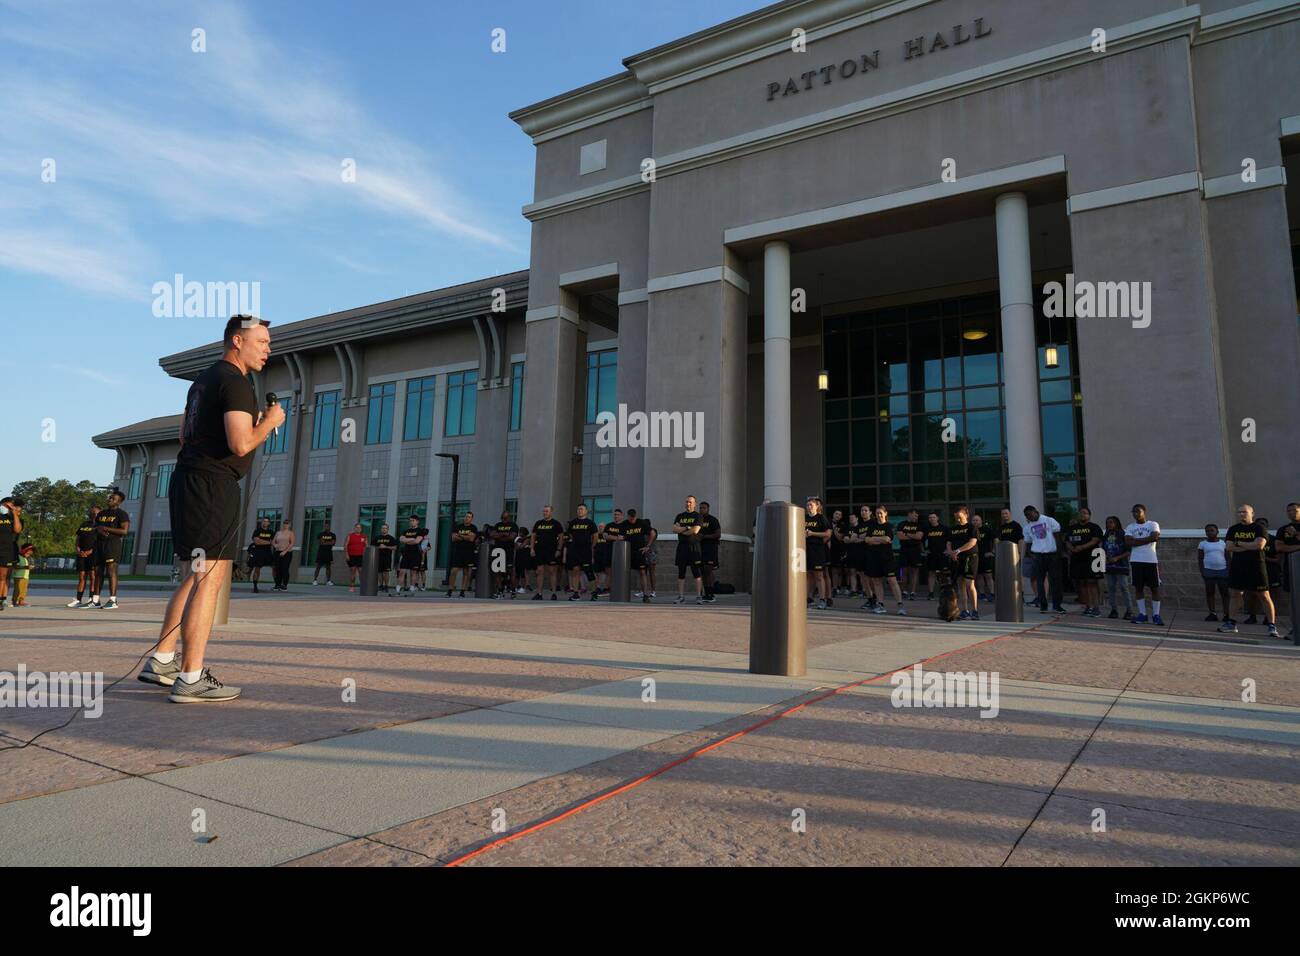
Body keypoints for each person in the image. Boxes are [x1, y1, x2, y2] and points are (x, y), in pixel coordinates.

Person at [139, 314, 283, 702]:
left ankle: (164, 660)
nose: (268, 349)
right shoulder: (236, 383)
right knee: (209, 579)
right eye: (262, 342)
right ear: (237, 341)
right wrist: (269, 422)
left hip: (189, 480)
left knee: (193, 574)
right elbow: (239, 443)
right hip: (212, 485)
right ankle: (191, 678)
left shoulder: (205, 380)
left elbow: (186, 433)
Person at [1220, 504, 1279, 638]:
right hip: (1238, 567)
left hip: (1257, 566)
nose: (1241, 514)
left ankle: (1271, 626)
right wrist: (1249, 546)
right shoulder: (1234, 529)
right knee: (1235, 594)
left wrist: (1239, 543)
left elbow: (1259, 545)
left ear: (1252, 514)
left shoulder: (1259, 528)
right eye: (1239, 512)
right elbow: (1229, 547)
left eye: (1244, 512)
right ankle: (1231, 623)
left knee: (1264, 595)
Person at [862, 505, 906, 616]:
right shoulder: (872, 525)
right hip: (873, 558)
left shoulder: (889, 526)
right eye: (877, 513)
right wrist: (879, 539)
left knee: (892, 581)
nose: (879, 515)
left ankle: (900, 605)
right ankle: (880, 605)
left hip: (887, 558)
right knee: (876, 582)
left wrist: (874, 539)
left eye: (881, 513)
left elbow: (888, 539)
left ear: (885, 513)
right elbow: (867, 540)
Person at [1124, 504, 1162, 625]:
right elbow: (1128, 543)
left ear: (1144, 512)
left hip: (1151, 560)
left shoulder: (1152, 524)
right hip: (1136, 560)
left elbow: (1155, 537)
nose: (1135, 514)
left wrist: (1136, 541)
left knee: (1154, 588)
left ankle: (1156, 615)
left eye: (1138, 511)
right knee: (1138, 587)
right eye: (1133, 512)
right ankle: (1143, 614)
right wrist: (1147, 539)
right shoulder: (1130, 526)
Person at [1022, 505, 1064, 613]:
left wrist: (1059, 553)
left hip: (1052, 554)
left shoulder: (1049, 520)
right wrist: (1031, 555)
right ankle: (1043, 605)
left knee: (1055, 580)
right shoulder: (1027, 527)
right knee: (1039, 581)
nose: (1029, 517)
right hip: (1038, 555)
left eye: (1030, 514)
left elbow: (1058, 536)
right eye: (1027, 516)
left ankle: (1057, 605)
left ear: (1036, 511)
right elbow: (1028, 543)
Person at [94, 489, 130, 610]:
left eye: (113, 498)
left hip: (112, 545)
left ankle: (112, 600)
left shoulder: (121, 514)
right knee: (98, 572)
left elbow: (124, 531)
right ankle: (95, 600)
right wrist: (98, 529)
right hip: (99, 545)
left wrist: (106, 529)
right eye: (110, 497)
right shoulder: (101, 513)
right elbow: (95, 527)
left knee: (111, 571)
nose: (110, 499)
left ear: (118, 502)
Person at [1065, 507, 1104, 617]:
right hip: (1077, 559)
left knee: (1092, 582)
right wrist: (1072, 548)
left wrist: (1082, 547)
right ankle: (1088, 606)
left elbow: (1095, 540)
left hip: (1092, 558)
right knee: (1082, 583)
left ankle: (1096, 608)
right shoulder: (1072, 528)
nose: (1082, 515)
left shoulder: (1094, 527)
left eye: (1085, 513)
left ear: (1089, 515)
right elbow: (1067, 540)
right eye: (1080, 513)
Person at [945, 505, 980, 620]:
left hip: (970, 557)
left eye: (959, 516)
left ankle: (975, 610)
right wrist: (951, 553)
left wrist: (958, 551)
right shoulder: (952, 529)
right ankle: (965, 610)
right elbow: (948, 543)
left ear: (966, 515)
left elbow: (972, 542)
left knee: (970, 584)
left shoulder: (971, 528)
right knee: (961, 585)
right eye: (956, 517)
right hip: (957, 559)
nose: (958, 519)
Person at [1101, 515, 1132, 620]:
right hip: (1109, 565)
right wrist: (1105, 556)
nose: (1109, 524)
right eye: (1107, 522)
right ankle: (1114, 610)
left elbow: (1128, 551)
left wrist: (1117, 558)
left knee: (1124, 588)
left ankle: (1129, 611)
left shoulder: (1123, 534)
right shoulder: (1106, 535)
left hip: (1121, 565)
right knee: (1111, 588)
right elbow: (1104, 548)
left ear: (1116, 523)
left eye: (1111, 522)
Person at [69, 505, 100, 608]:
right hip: (81, 554)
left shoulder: (99, 526)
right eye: (91, 512)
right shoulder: (84, 524)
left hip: (93, 555)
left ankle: (91, 599)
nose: (92, 514)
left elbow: (99, 541)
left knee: (93, 577)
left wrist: (91, 551)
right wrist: (78, 549)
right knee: (82, 577)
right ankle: (78, 599)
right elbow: (78, 538)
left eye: (95, 513)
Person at [803, 497, 832, 609]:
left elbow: (828, 534)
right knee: (808, 575)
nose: (809, 507)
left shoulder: (821, 518)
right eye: (807, 505)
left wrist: (812, 533)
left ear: (816, 506)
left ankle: (822, 599)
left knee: (819, 575)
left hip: (818, 550)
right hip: (805, 550)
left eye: (811, 505)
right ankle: (807, 599)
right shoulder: (803, 518)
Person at [564, 504, 597, 600]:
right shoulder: (573, 522)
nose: (579, 511)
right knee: (575, 571)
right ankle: (575, 593)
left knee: (589, 572)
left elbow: (595, 536)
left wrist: (592, 547)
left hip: (586, 551)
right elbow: (570, 534)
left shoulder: (590, 523)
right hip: (575, 551)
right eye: (578, 509)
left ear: (586, 511)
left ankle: (594, 593)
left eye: (582, 509)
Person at [1197, 523, 1229, 622]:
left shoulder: (1223, 543)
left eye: (1212, 530)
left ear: (1217, 532)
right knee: (1210, 592)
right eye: (1207, 531)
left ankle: (1226, 614)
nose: (1209, 532)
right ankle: (1212, 614)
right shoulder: (1203, 544)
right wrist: (1202, 571)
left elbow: (1228, 557)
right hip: (1208, 571)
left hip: (1223, 571)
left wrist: (1229, 570)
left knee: (1224, 593)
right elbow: (1200, 558)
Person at [531, 506, 563, 600]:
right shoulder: (538, 523)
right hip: (540, 550)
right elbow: (533, 536)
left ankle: (553, 593)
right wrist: (532, 549)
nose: (545, 513)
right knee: (539, 571)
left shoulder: (556, 523)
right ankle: (539, 593)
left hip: (552, 551)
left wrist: (559, 549)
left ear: (551, 512)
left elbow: (561, 537)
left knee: (552, 571)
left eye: (547, 511)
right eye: (544, 511)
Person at [489, 511, 519, 598]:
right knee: (498, 571)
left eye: (505, 518)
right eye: (502, 518)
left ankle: (513, 590)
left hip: (509, 550)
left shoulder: (513, 525)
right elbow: (492, 535)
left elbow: (511, 537)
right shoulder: (498, 525)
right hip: (498, 550)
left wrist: (500, 535)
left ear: (508, 518)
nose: (504, 520)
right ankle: (500, 590)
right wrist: (504, 534)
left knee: (510, 570)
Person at [0, 496, 23, 611]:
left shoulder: (14, 518)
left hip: (8, 550)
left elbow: (17, 530)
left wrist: (14, 513)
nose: (8, 508)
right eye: (6, 505)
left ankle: (2, 599)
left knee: (4, 576)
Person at [896, 508, 924, 600]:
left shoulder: (919, 525)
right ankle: (903, 591)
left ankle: (913, 592)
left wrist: (907, 534)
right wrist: (913, 536)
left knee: (914, 572)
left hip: (915, 551)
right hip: (904, 550)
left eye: (917, 515)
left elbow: (919, 537)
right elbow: (900, 536)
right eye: (915, 515)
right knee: (903, 571)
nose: (916, 517)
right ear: (909, 514)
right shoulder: (901, 524)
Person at [996, 508, 1024, 599]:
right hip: (1004, 555)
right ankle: (1009, 594)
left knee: (1017, 575)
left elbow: (1020, 539)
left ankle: (1020, 594)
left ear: (1010, 514)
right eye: (1003, 514)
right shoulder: (1001, 527)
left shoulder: (1016, 525)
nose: (1004, 515)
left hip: (1014, 554)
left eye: (1006, 513)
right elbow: (997, 540)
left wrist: (1019, 552)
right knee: (1007, 575)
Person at [448, 511, 477, 597]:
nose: (466, 518)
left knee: (466, 572)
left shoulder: (473, 528)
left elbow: (471, 539)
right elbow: (453, 538)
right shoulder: (458, 527)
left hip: (468, 552)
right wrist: (465, 537)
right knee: (453, 571)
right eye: (466, 516)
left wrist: (460, 535)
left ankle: (462, 591)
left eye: (469, 517)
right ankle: (450, 590)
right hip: (458, 552)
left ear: (471, 519)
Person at [627, 508, 654, 600]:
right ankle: (623, 594)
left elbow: (652, 533)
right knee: (625, 572)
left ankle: (645, 594)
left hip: (640, 551)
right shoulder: (625, 524)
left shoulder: (641, 523)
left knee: (643, 572)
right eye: (631, 518)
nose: (632, 520)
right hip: (627, 552)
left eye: (633, 518)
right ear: (628, 517)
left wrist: (648, 546)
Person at [922, 511, 949, 600]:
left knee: (943, 574)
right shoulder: (927, 529)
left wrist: (948, 550)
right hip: (931, 555)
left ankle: (944, 592)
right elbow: (921, 541)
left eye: (933, 517)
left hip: (942, 554)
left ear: (937, 518)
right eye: (930, 517)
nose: (932, 519)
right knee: (931, 573)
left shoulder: (944, 528)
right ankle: (931, 593)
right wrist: (924, 550)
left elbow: (949, 541)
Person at [699, 501, 722, 603]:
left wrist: (705, 536)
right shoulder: (698, 520)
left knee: (709, 570)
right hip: (700, 548)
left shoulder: (713, 520)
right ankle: (706, 593)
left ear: (708, 509)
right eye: (700, 508)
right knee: (703, 571)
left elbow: (718, 534)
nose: (702, 510)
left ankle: (711, 594)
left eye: (704, 508)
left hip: (711, 548)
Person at [396, 516, 425, 596]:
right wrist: (412, 539)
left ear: (417, 521)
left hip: (415, 554)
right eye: (410, 521)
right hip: (406, 553)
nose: (411, 522)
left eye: (413, 520)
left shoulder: (420, 531)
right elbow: (401, 539)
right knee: (402, 572)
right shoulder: (406, 531)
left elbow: (417, 541)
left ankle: (412, 589)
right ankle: (398, 589)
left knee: (413, 572)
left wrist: (407, 540)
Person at [973, 514, 996, 602]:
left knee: (988, 576)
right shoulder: (971, 531)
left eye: (977, 520)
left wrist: (993, 552)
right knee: (979, 576)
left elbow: (995, 540)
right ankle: (982, 594)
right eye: (974, 520)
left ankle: (992, 594)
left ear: (981, 521)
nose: (975, 522)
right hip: (976, 556)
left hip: (986, 556)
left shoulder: (987, 530)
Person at [249, 516, 274, 593]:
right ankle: (255, 587)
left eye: (267, 521)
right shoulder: (257, 531)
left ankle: (278, 585)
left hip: (268, 552)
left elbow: (273, 542)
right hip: (258, 552)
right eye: (264, 521)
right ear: (262, 522)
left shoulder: (271, 532)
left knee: (275, 567)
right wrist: (268, 542)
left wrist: (261, 541)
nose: (265, 522)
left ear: (269, 523)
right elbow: (256, 542)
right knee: (257, 569)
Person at [372, 523, 397, 594]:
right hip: (378, 557)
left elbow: (395, 547)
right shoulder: (377, 538)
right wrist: (378, 547)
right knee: (379, 572)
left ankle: (386, 586)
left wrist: (385, 547)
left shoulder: (391, 538)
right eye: (383, 528)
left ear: (388, 529)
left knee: (386, 572)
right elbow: (372, 547)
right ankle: (381, 585)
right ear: (381, 529)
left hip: (387, 558)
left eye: (385, 528)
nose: (384, 529)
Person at [271, 519, 295, 591]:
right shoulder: (278, 533)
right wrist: (275, 546)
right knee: (277, 569)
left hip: (287, 553)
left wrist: (285, 551)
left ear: (289, 525)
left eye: (287, 523)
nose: (285, 525)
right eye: (284, 523)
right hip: (277, 552)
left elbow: (292, 543)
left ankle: (284, 585)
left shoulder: (291, 533)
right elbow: (273, 541)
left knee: (284, 569)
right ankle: (277, 585)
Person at [312, 522, 336, 586]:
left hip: (329, 553)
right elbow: (320, 543)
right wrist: (328, 542)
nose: (326, 527)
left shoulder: (333, 535)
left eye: (327, 526)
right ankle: (315, 580)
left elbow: (333, 543)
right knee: (318, 567)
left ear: (329, 527)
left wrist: (325, 542)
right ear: (324, 527)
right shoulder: (320, 534)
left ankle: (328, 581)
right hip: (321, 552)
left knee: (328, 567)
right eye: (325, 526)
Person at [345, 522, 367, 591]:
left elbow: (366, 547)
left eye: (359, 528)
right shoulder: (350, 535)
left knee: (361, 571)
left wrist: (365, 555)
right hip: (352, 556)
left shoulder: (364, 537)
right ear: (354, 528)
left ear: (361, 529)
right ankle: (352, 586)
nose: (358, 529)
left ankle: (362, 586)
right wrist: (346, 555)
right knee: (353, 571)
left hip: (360, 556)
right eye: (357, 527)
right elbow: (345, 546)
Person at [13, 538, 34, 606]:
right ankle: (14, 601)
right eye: (28, 552)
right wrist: (26, 567)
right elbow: (15, 566)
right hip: (19, 576)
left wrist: (29, 567)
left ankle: (21, 600)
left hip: (25, 576)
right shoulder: (18, 557)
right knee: (18, 590)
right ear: (24, 550)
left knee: (23, 590)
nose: (30, 554)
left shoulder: (26, 558)